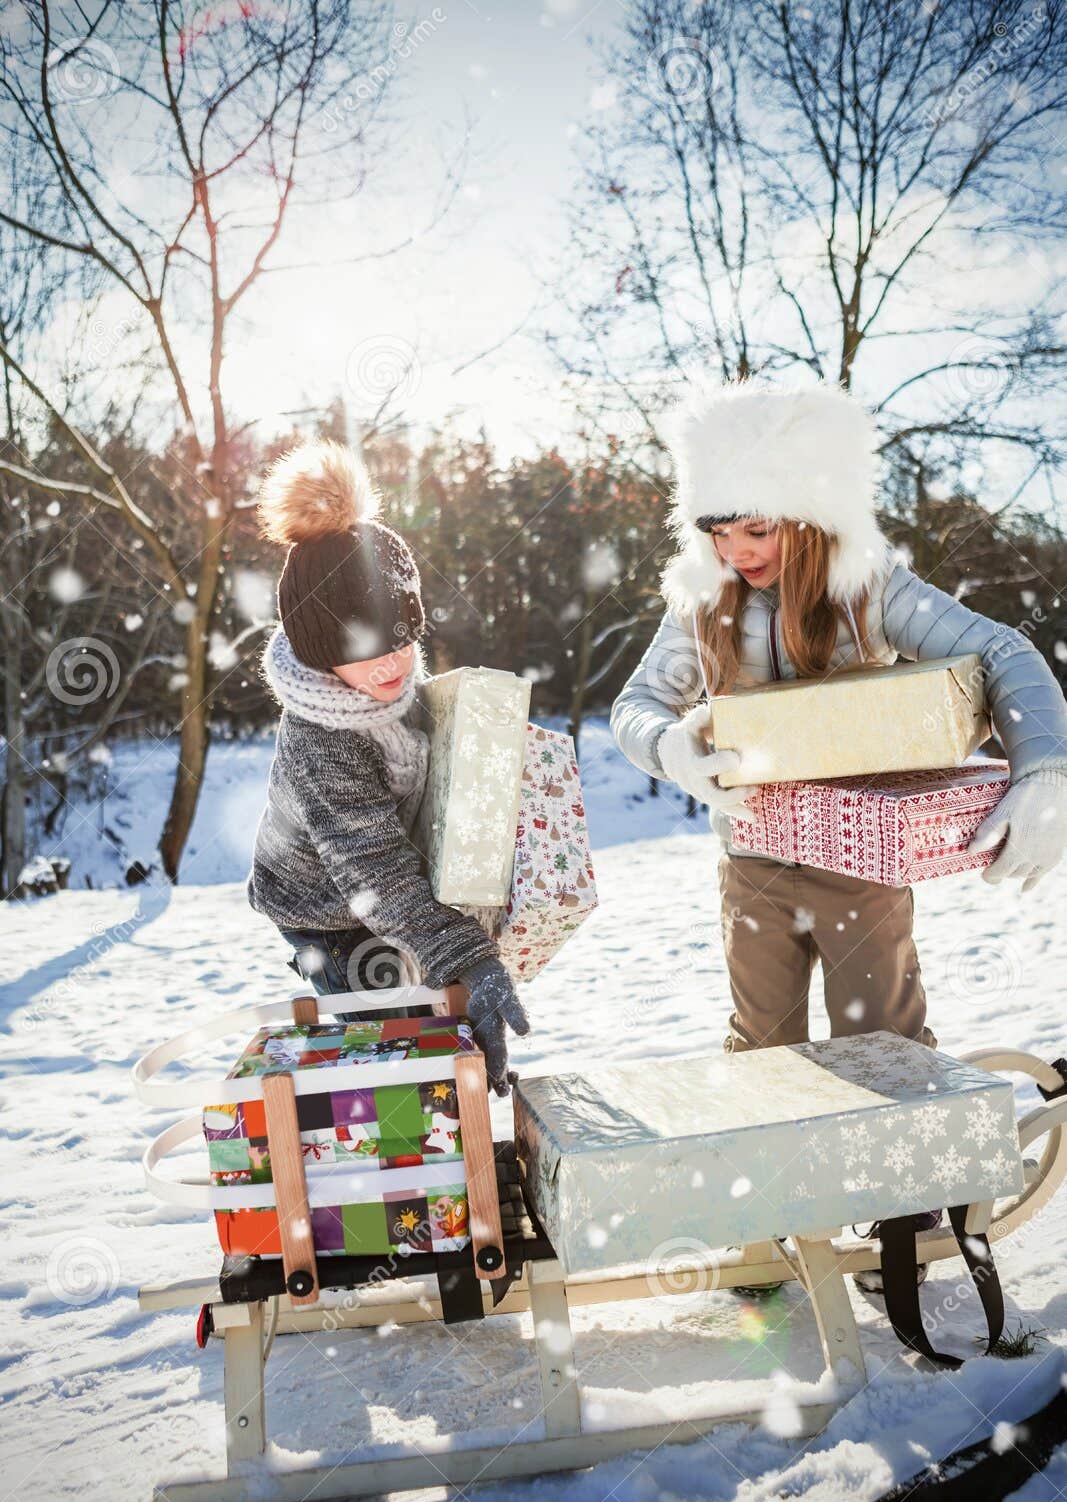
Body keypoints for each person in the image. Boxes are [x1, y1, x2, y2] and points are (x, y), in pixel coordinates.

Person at [611, 380, 1067, 1289]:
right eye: (717, 532)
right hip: (752, 868)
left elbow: (1005, 652)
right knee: (763, 1046)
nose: (735, 552)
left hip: (860, 862)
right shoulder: (696, 604)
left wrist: (1044, 769)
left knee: (882, 1044)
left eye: (757, 530)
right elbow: (634, 705)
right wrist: (667, 744)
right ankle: (769, 1220)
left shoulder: (871, 588)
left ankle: (903, 1219)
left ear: (808, 518)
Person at [247, 439, 528, 1095]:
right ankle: (403, 1157)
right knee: (392, 1044)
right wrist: (458, 954)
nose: (393, 662)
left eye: (401, 633)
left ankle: (439, 1127)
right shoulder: (321, 733)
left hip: (387, 879)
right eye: (365, 648)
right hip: (327, 910)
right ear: (321, 653)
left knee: (432, 1015)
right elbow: (366, 863)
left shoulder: (391, 680)